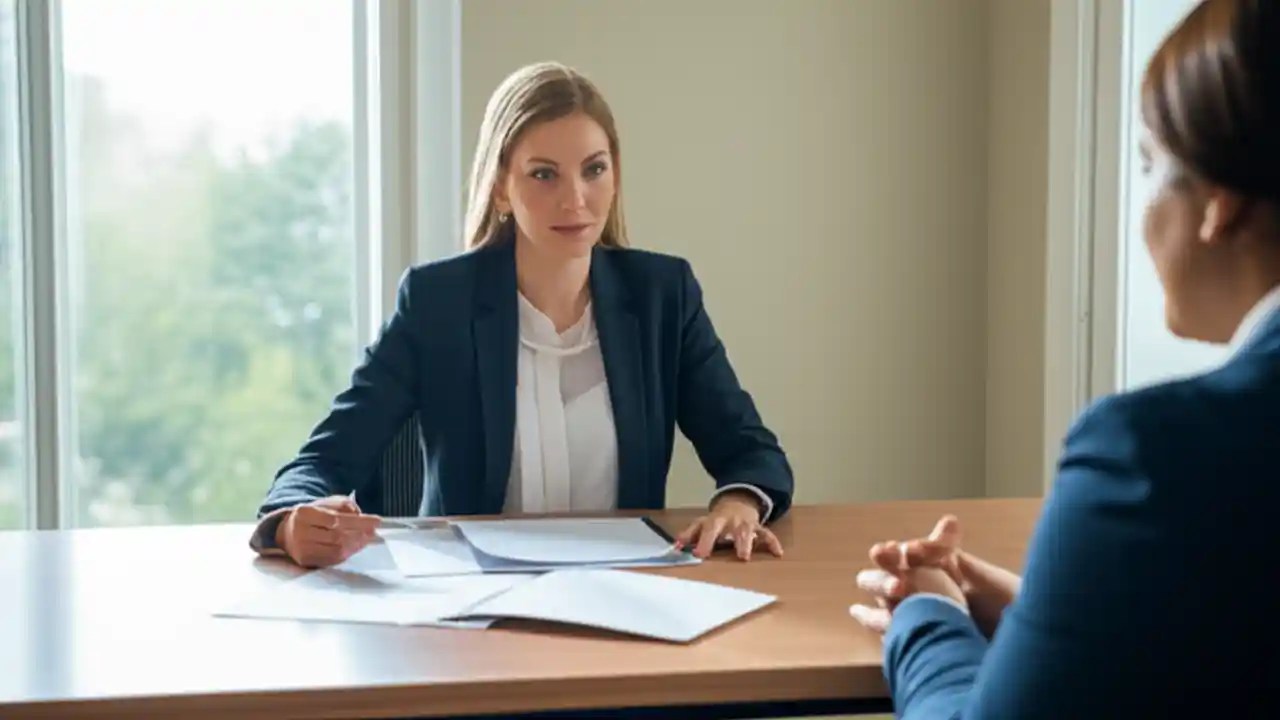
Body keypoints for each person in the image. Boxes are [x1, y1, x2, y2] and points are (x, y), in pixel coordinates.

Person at [849, 0, 1280, 716]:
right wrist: (1048, 615)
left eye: (1149, 164)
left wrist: (928, 619)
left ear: (1218, 203)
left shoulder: (1157, 457)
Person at [249, 61, 794, 569]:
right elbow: (323, 460)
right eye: (543, 175)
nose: (575, 199)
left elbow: (750, 450)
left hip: (626, 595)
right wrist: (291, 525)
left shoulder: (661, 296)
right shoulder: (438, 303)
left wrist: (740, 501)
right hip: (472, 608)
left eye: (593, 170)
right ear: (501, 188)